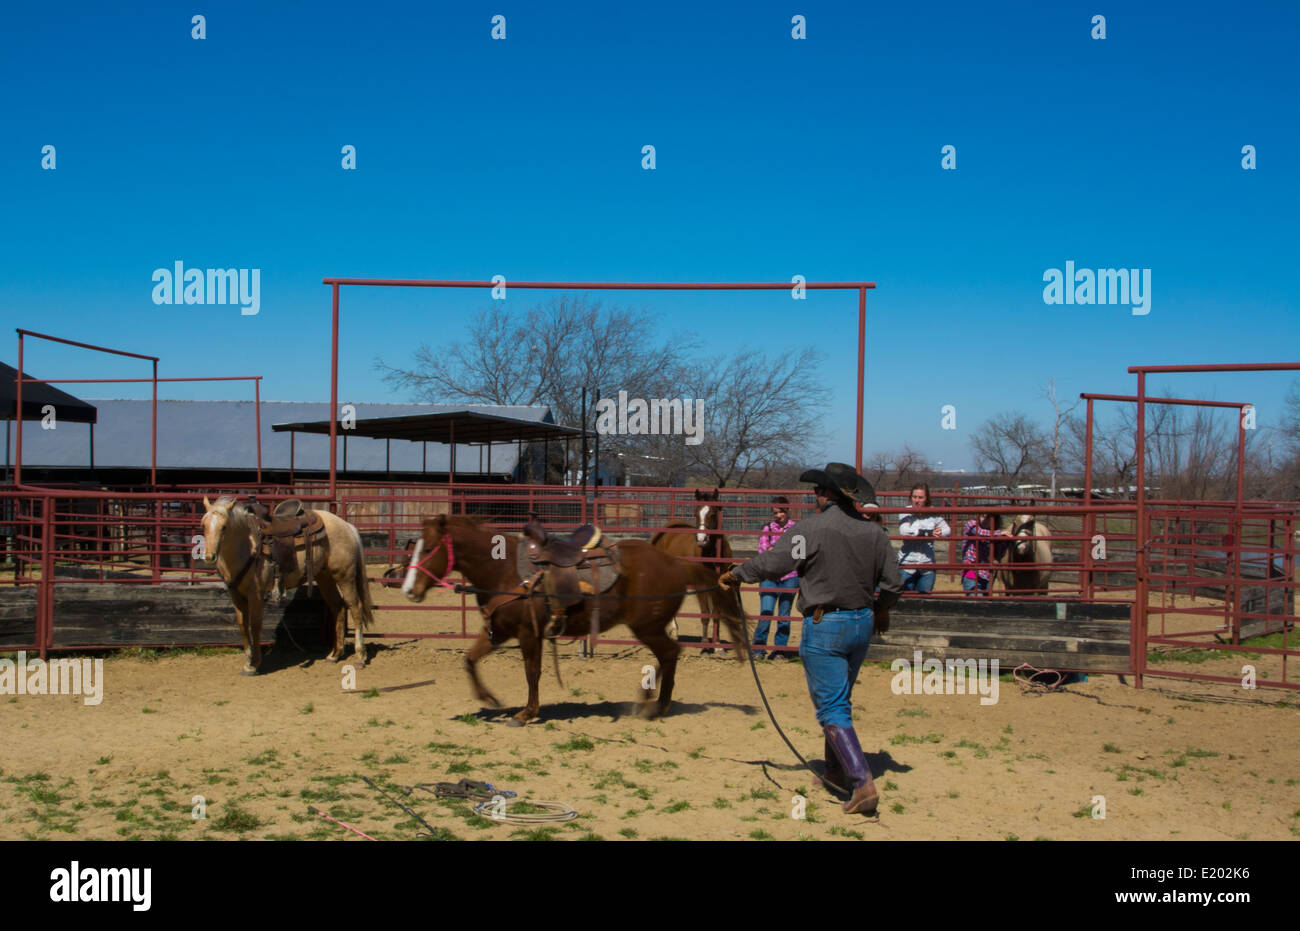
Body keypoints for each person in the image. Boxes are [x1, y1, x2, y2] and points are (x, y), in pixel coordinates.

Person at [719, 462, 901, 815]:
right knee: (841, 698)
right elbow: (893, 584)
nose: (813, 496)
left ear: (828, 495)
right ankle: (835, 768)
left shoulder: (810, 530)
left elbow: (774, 563)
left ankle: (862, 782)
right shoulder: (874, 534)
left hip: (825, 624)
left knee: (831, 706)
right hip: (862, 622)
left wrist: (738, 574)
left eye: (817, 491)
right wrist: (882, 609)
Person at [751, 497, 798, 660]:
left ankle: (779, 650)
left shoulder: (796, 529)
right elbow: (763, 552)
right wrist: (782, 553)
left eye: (779, 512)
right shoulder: (767, 528)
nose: (776, 516)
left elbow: (799, 554)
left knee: (784, 615)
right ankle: (758, 648)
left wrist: (774, 550)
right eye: (774, 513)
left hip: (789, 576)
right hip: (770, 575)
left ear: (787, 512)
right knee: (766, 612)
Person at [897, 482, 950, 593]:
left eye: (920, 497)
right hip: (907, 563)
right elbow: (904, 531)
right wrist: (927, 533)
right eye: (914, 497)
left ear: (926, 498)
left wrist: (939, 532)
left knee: (924, 599)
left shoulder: (933, 513)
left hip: (927, 564)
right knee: (905, 599)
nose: (917, 500)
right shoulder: (905, 512)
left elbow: (947, 530)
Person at [961, 511, 1010, 595]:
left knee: (985, 604)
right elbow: (980, 533)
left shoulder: (993, 533)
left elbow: (999, 554)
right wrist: (999, 533)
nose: (985, 520)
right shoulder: (971, 524)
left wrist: (1006, 541)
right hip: (972, 572)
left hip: (987, 575)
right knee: (977, 602)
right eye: (983, 516)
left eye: (988, 518)